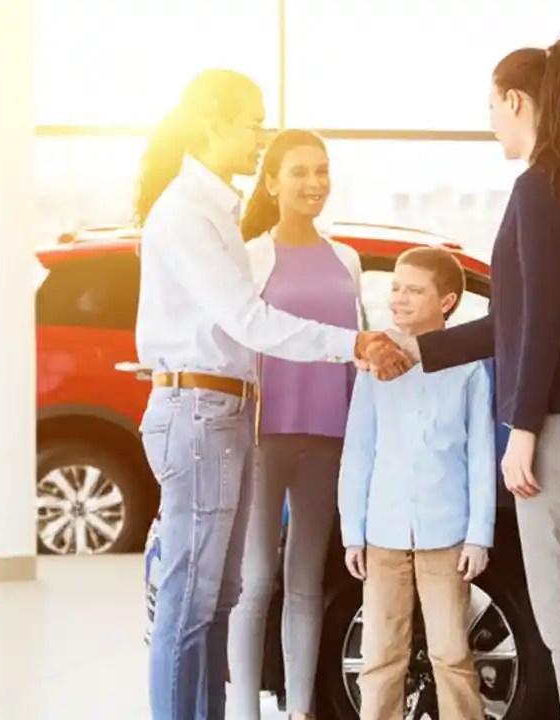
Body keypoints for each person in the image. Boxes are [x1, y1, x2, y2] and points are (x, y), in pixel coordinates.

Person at [134, 69, 409, 720]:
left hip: (227, 411)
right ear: (213, 124)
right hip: (198, 412)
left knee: (218, 597)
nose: (261, 135)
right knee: (190, 599)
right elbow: (247, 320)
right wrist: (353, 343)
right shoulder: (186, 213)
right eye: (253, 122)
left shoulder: (216, 212)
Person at [377, 39, 560, 720]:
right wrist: (417, 346)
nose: (490, 120)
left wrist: (522, 430)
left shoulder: (539, 186)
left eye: (491, 105)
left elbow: (541, 319)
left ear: (516, 100)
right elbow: (515, 322)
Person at [223, 129, 362, 720]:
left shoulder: (347, 258)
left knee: (305, 581)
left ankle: (301, 710)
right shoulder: (249, 256)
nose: (314, 184)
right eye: (300, 172)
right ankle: (244, 711)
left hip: (329, 436)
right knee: (256, 582)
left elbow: (355, 352)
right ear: (273, 182)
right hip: (263, 437)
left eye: (322, 171)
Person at [339, 247, 496, 720]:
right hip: (383, 534)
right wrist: (353, 530)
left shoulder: (468, 367)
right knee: (381, 656)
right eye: (395, 288)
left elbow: (481, 456)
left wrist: (479, 535)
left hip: (446, 536)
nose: (399, 299)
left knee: (452, 654)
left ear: (446, 301)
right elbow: (359, 449)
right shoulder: (375, 360)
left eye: (413, 290)